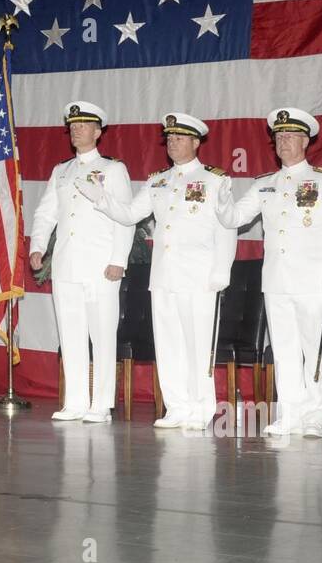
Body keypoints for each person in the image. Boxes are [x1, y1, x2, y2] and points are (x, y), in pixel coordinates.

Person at [77, 112, 235, 430]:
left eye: (179, 138)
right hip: (163, 276)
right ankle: (176, 406)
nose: (173, 143)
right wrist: (103, 199)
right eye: (170, 138)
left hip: (200, 277)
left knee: (198, 344)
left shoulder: (214, 180)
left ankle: (200, 409)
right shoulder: (157, 181)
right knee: (169, 343)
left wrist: (222, 270)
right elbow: (130, 214)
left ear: (196, 141)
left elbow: (226, 228)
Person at [216, 108, 322, 437]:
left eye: (290, 136)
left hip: (313, 282)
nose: (283, 141)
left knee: (315, 352)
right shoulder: (266, 184)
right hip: (276, 282)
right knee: (285, 350)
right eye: (278, 136)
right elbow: (235, 218)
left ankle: (313, 418)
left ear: (306, 140)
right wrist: (222, 201)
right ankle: (290, 414)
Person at [29, 102, 133, 423]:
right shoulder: (61, 171)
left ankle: (100, 404)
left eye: (83, 125)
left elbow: (125, 219)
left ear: (98, 132)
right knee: (70, 334)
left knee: (101, 335)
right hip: (66, 264)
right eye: (72, 125)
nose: (76, 130)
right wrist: (38, 245)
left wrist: (118, 260)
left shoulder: (114, 169)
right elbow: (46, 213)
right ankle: (74, 401)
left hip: (101, 265)